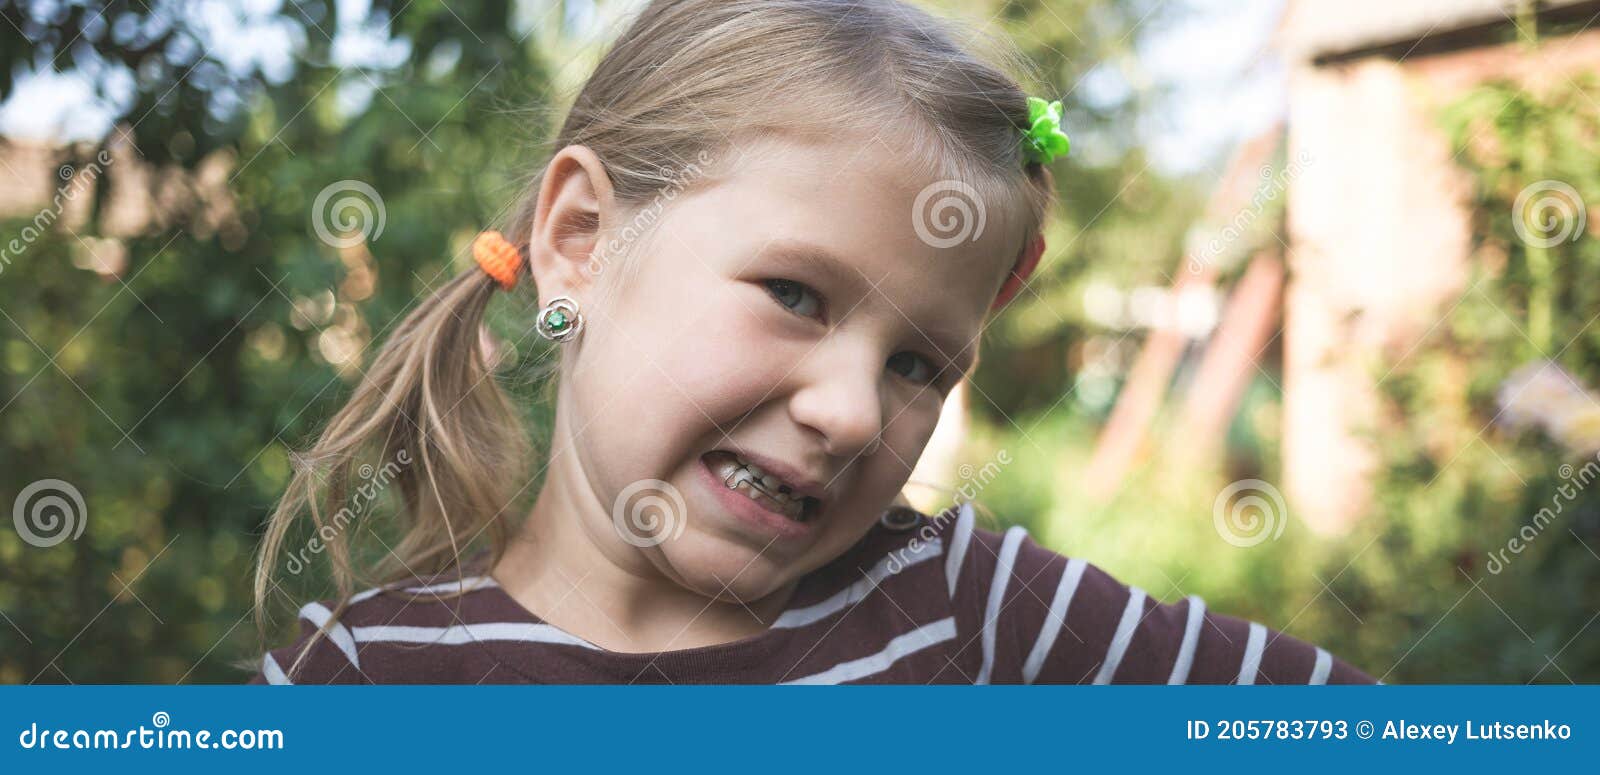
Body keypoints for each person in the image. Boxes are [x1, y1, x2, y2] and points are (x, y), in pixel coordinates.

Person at [251, 0, 1374, 685]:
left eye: (918, 364)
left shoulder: (968, 609)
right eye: (795, 293)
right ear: (581, 241)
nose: (849, 412)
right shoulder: (361, 682)